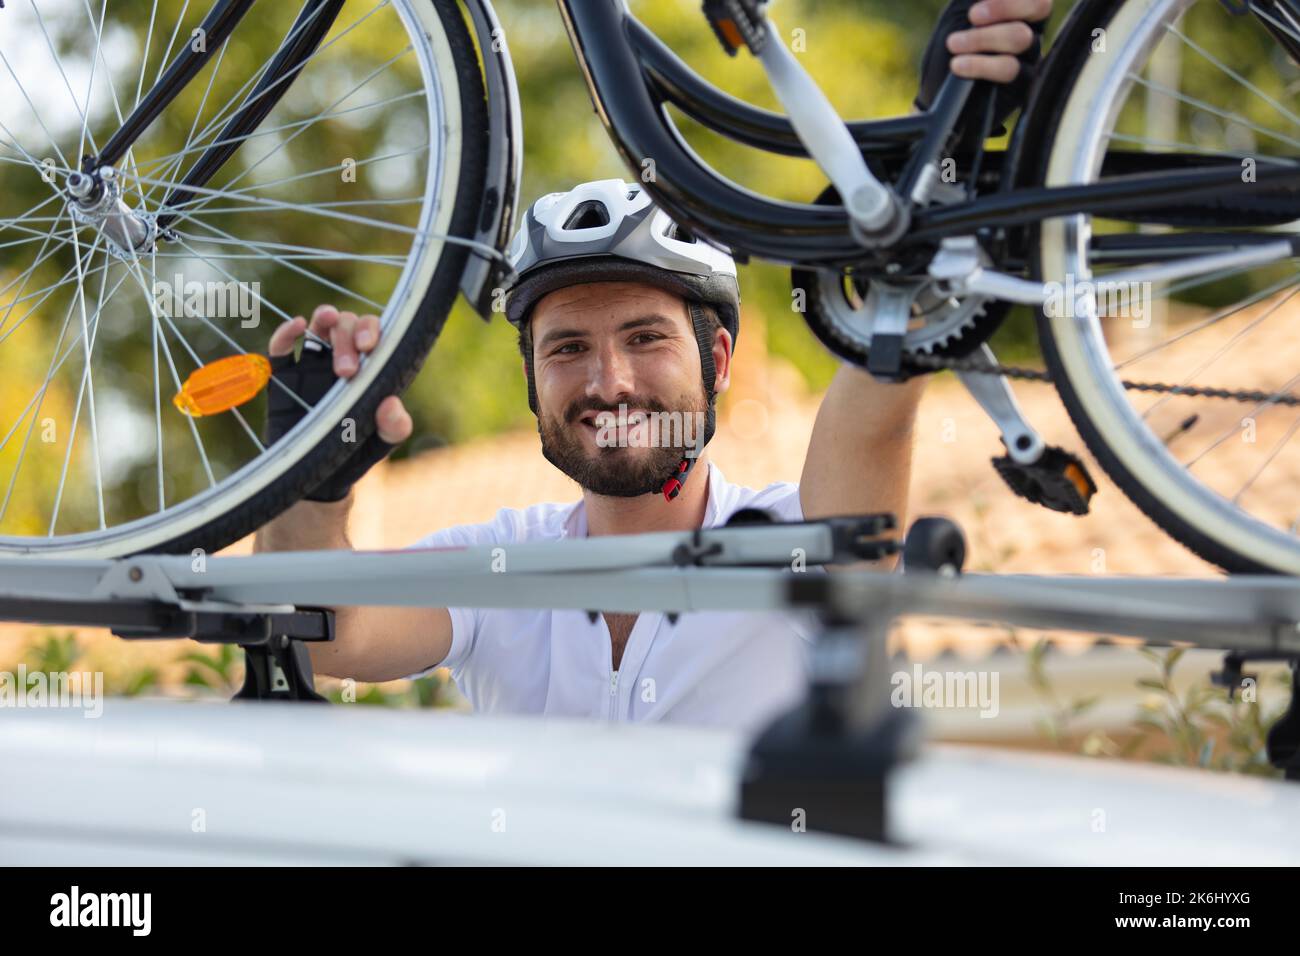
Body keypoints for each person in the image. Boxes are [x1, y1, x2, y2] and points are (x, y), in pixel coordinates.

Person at [255, 0, 1054, 732]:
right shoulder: (502, 566)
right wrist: (310, 478)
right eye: (567, 348)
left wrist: (943, 154)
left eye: (645, 337)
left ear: (720, 359)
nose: (610, 382)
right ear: (530, 380)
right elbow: (332, 632)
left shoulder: (792, 542)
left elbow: (874, 411)